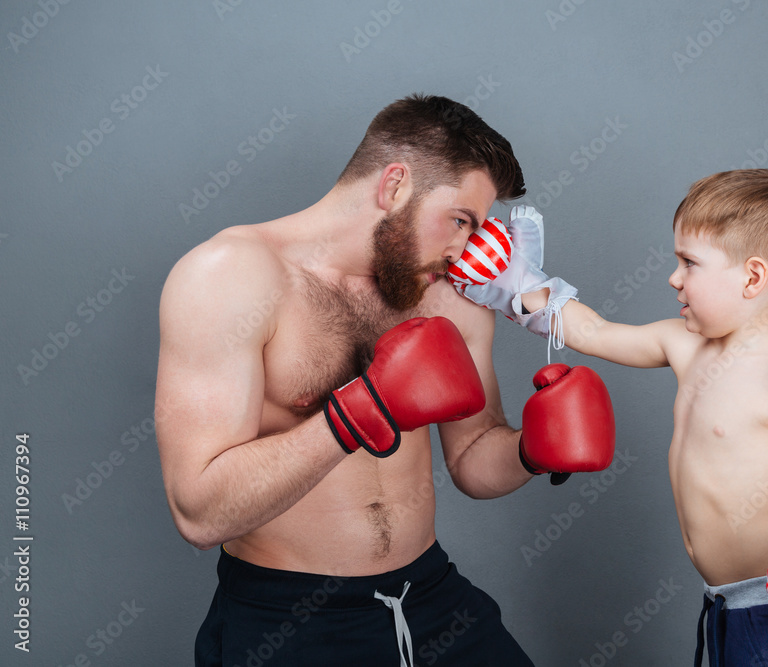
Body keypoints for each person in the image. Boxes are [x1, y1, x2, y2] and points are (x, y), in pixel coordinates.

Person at [154, 94, 615, 666]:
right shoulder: (231, 276)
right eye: (461, 221)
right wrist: (361, 410)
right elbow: (200, 513)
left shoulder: (446, 295)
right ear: (395, 184)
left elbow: (473, 457)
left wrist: (530, 451)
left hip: (430, 598)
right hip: (288, 620)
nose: (466, 249)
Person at [464, 169, 768, 665]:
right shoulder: (683, 344)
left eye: (689, 262)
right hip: (720, 604)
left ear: (754, 277)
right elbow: (594, 330)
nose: (673, 277)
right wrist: (520, 289)